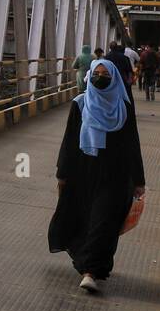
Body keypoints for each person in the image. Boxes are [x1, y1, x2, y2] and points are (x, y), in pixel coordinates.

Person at [49, 59, 146, 292]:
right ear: (89, 76)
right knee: (85, 219)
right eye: (97, 73)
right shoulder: (80, 104)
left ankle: (91, 270)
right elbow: (70, 141)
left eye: (106, 75)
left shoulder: (123, 106)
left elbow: (132, 143)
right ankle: (91, 265)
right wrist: (63, 174)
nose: (100, 78)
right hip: (83, 172)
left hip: (116, 174)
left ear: (114, 79)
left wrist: (139, 180)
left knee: (104, 222)